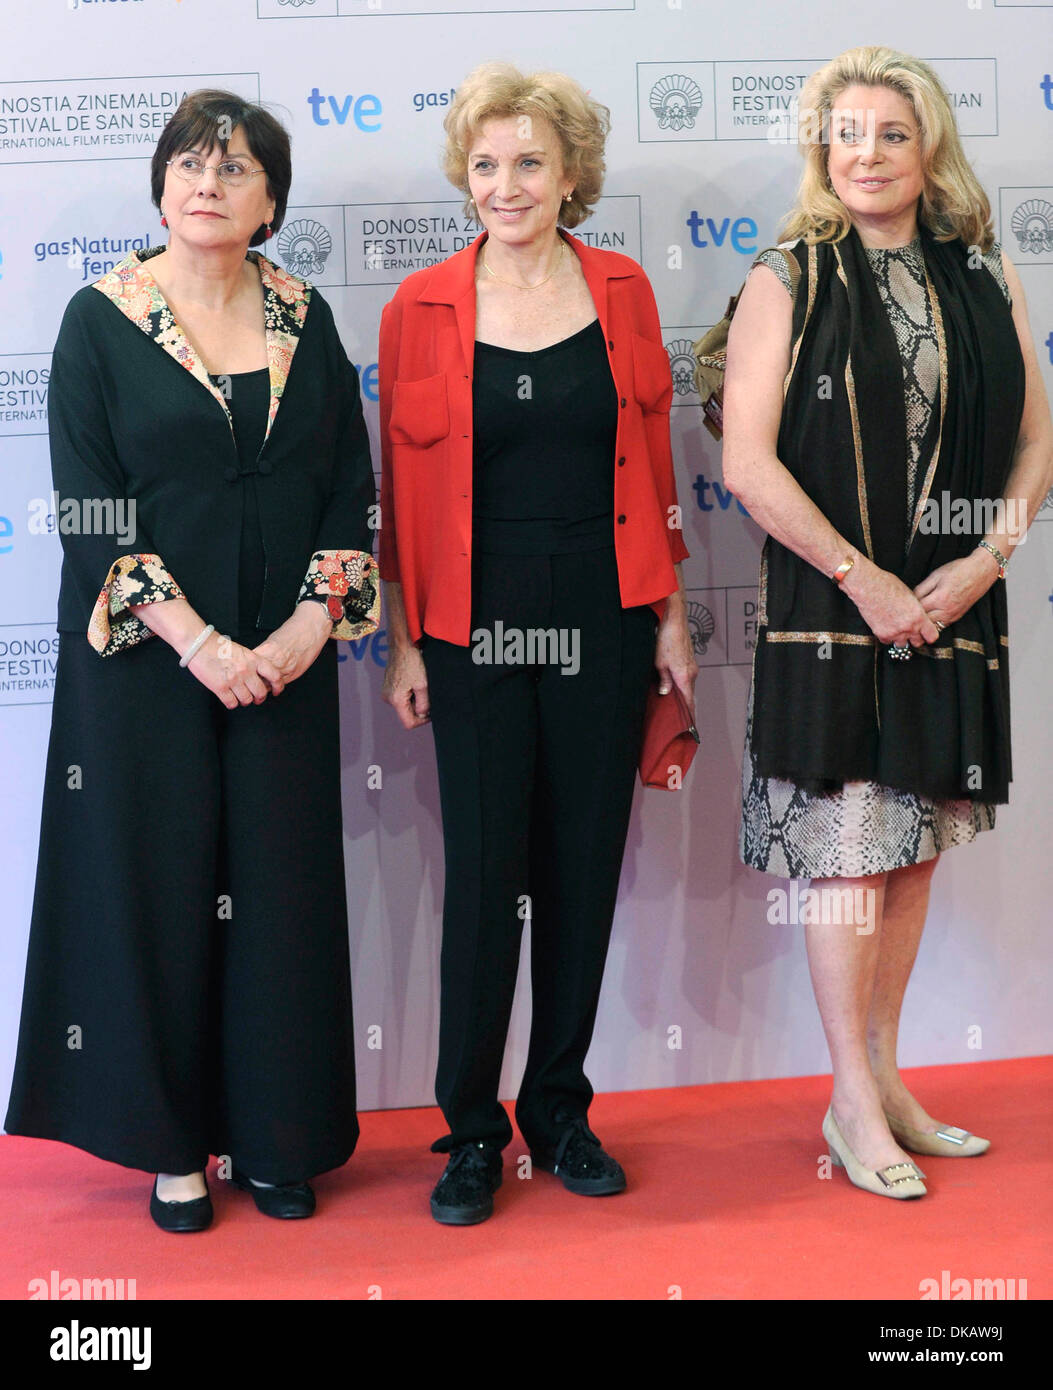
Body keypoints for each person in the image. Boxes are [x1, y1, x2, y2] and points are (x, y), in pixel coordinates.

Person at [4, 90, 379, 1231]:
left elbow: (345, 492)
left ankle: (276, 1139)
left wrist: (304, 633)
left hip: (285, 665)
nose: (205, 181)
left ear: (272, 202)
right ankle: (168, 1146)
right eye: (187, 162)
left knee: (279, 897)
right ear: (161, 183)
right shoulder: (98, 319)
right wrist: (205, 645)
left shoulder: (307, 319)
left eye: (234, 167)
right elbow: (93, 510)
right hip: (148, 675)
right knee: (155, 898)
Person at [723, 47, 1052, 1199]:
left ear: (930, 151)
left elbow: (1035, 441)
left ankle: (884, 1075)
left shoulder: (979, 270)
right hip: (835, 604)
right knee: (851, 857)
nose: (866, 153)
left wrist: (987, 558)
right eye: (846, 132)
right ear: (821, 148)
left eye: (891, 134)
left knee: (911, 852)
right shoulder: (791, 274)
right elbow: (748, 462)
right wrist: (864, 578)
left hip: (955, 601)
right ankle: (849, 1102)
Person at [378, 62, 696, 1224]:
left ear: (571, 175)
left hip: (605, 609)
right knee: (484, 878)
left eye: (528, 163)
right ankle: (469, 1130)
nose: (505, 185)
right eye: (486, 164)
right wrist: (408, 641)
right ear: (465, 178)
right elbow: (398, 495)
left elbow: (658, 469)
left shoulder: (621, 290)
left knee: (579, 869)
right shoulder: (417, 305)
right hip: (472, 623)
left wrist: (670, 616)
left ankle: (558, 1108)